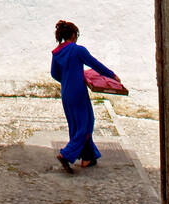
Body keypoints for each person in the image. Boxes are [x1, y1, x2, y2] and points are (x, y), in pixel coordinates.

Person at [50, 20, 118, 172]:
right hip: (79, 92)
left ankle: (88, 157)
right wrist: (112, 75)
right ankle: (66, 154)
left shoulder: (56, 53)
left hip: (66, 92)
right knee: (86, 124)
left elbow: (54, 74)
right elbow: (95, 64)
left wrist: (67, 79)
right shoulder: (78, 50)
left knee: (75, 124)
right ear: (73, 35)